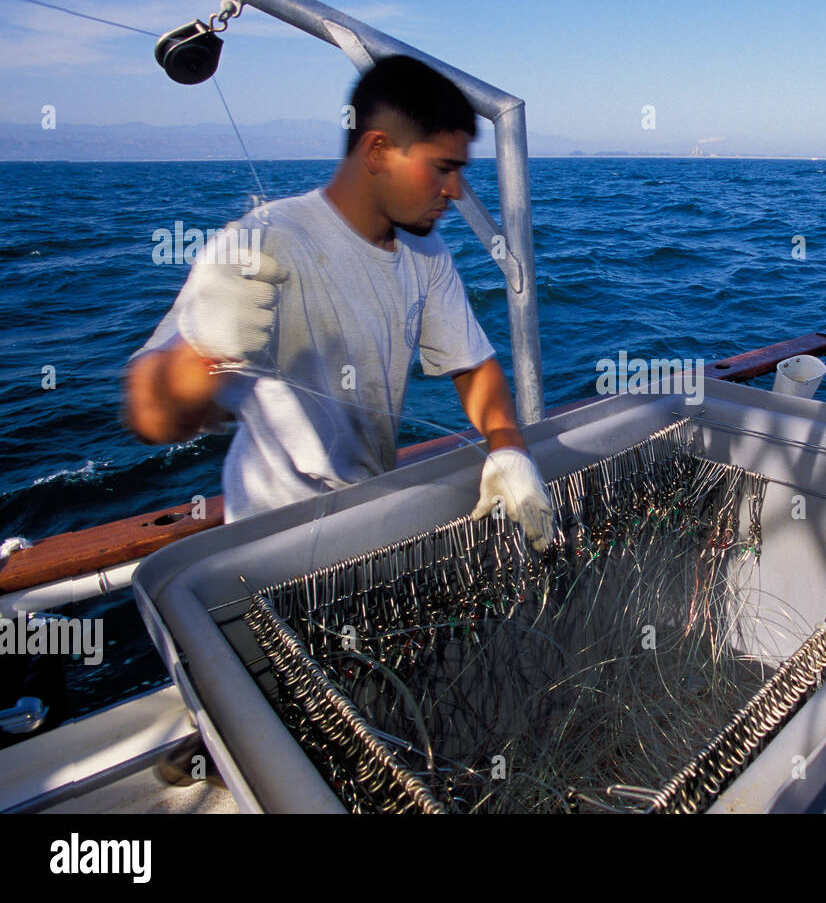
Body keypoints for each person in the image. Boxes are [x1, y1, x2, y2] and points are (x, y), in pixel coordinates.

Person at [123, 55, 554, 550]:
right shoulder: (259, 243)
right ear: (377, 151)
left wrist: (508, 447)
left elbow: (472, 367)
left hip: (367, 524)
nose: (455, 191)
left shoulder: (426, 252)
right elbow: (150, 419)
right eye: (442, 168)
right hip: (268, 546)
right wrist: (199, 358)